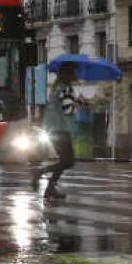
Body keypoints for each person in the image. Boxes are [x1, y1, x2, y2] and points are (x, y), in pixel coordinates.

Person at [41, 62, 79, 199]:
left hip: (53, 129)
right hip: (61, 129)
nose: (76, 74)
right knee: (67, 161)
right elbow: (68, 110)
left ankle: (50, 189)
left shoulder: (57, 88)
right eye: (74, 71)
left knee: (65, 160)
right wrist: (78, 104)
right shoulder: (66, 89)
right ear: (69, 74)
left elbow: (62, 106)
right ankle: (40, 172)